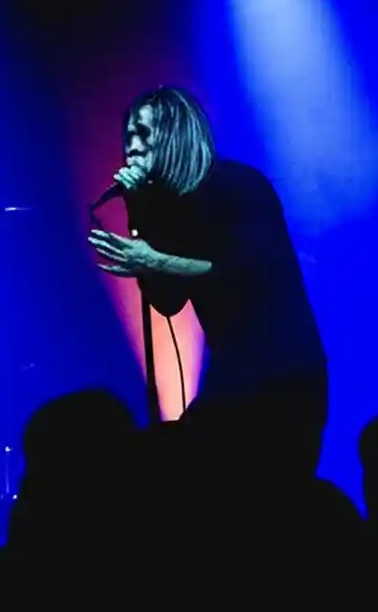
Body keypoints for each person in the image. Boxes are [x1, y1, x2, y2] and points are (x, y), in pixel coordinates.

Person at [87, 86, 327, 471]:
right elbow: (167, 301)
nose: (131, 146)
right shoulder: (165, 209)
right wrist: (139, 211)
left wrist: (155, 259)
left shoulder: (239, 185)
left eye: (143, 134)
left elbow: (247, 271)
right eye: (127, 136)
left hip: (285, 372)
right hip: (233, 374)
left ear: (176, 132)